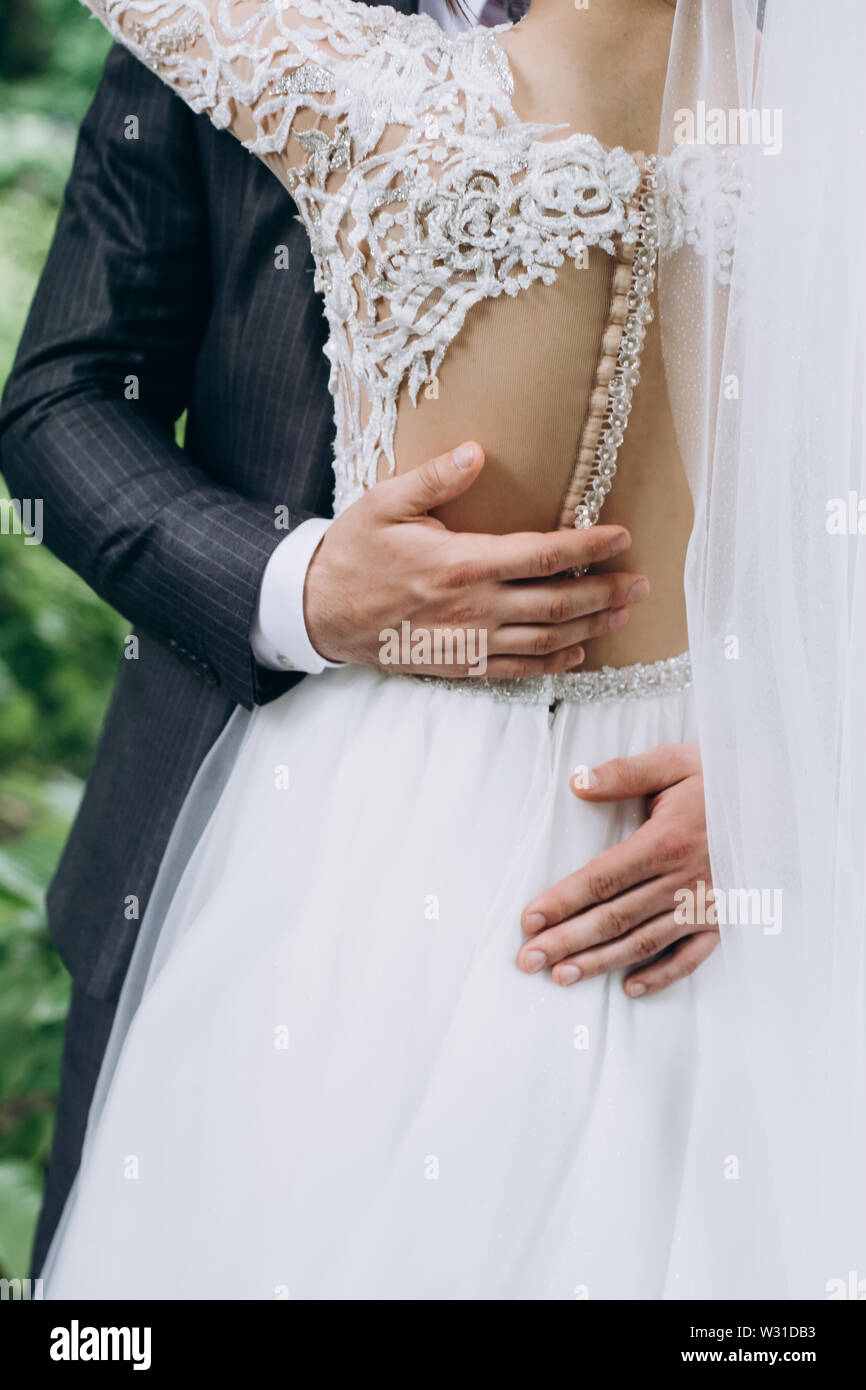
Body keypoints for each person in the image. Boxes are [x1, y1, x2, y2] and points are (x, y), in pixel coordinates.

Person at [9, 0, 742, 1299]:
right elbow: (60, 405)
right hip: (249, 858)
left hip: (691, 886)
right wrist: (298, 588)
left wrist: (783, 767)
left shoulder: (792, 66)